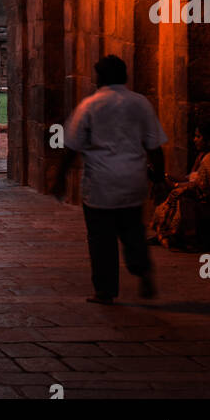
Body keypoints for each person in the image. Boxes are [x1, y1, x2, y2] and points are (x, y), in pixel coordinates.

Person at [54, 54, 167, 304]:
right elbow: (155, 146)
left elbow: (71, 147)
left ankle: (105, 289)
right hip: (133, 180)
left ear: (99, 78)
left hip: (100, 183)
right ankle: (142, 269)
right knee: (133, 230)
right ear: (125, 76)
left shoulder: (89, 106)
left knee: (101, 237)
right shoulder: (140, 103)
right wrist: (159, 179)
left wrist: (60, 178)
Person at [149, 122, 210, 251]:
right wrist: (166, 177)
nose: (194, 140)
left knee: (180, 199)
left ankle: (186, 239)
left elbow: (208, 188)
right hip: (203, 195)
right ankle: (165, 234)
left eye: (198, 136)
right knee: (165, 189)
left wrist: (177, 186)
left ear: (208, 140)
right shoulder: (202, 156)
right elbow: (191, 178)